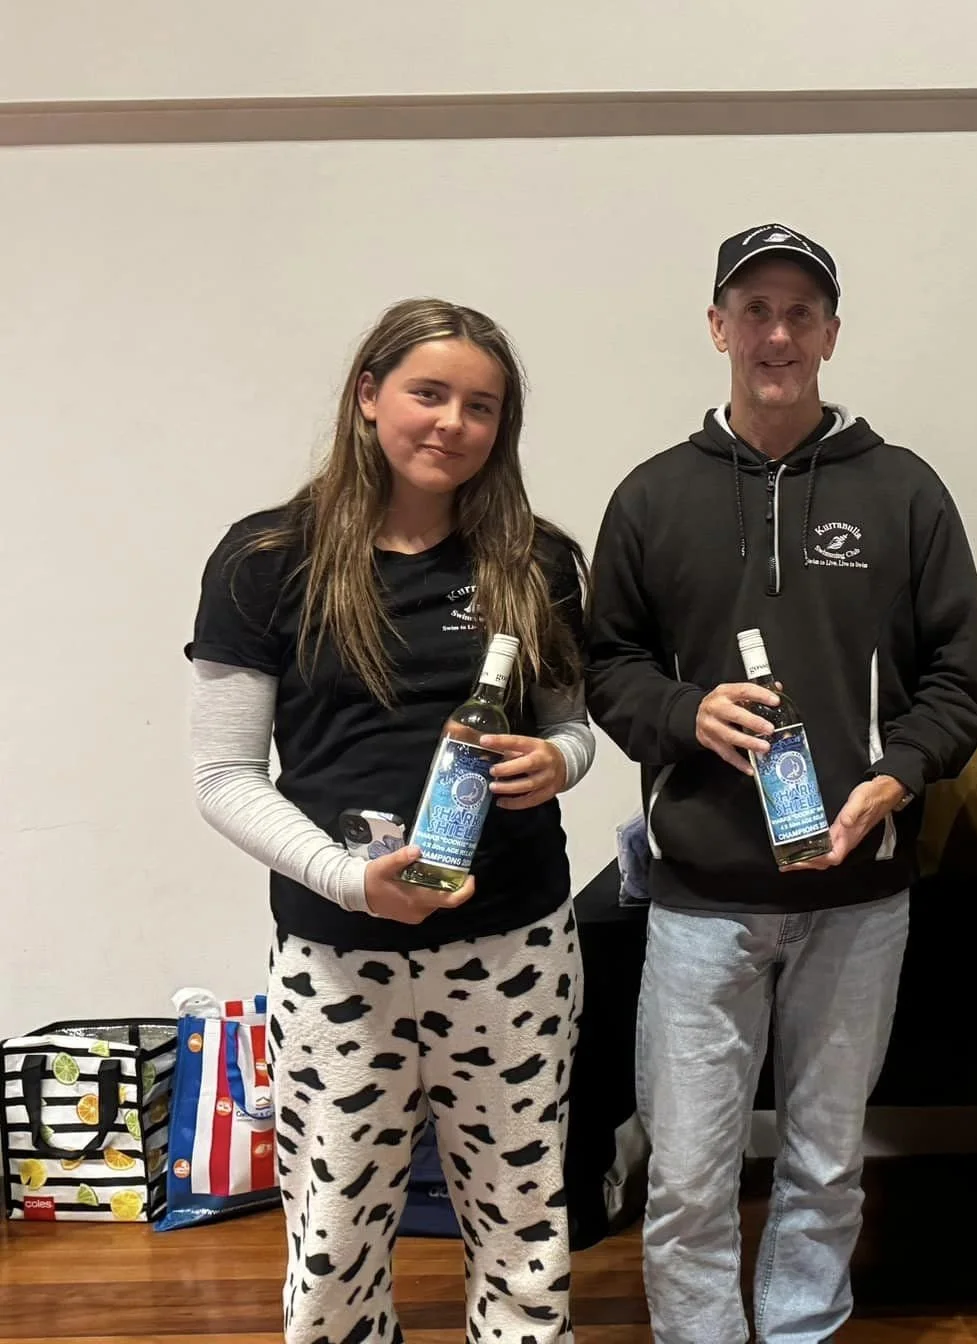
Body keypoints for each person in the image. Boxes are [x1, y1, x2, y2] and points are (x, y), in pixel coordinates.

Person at [584, 223, 977, 1344]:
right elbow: (605, 667)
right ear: (718, 327)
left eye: (799, 312)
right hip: (700, 899)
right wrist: (684, 713)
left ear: (830, 333)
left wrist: (897, 778)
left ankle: (804, 1330)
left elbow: (964, 680)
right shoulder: (652, 496)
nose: (777, 333)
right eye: (754, 310)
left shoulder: (903, 491)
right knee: (687, 1174)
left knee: (823, 1163)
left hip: (856, 897)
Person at [187, 299, 591, 1344]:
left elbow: (574, 728)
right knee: (333, 1241)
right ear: (367, 396)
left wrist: (560, 761)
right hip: (338, 958)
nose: (453, 422)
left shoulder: (536, 561)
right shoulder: (264, 559)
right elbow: (224, 776)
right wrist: (344, 878)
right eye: (428, 392)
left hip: (513, 947)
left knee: (522, 1231)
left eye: (482, 406)